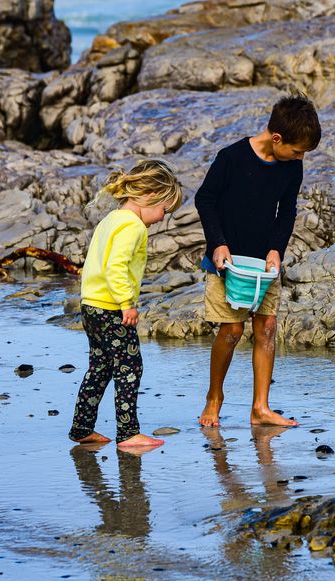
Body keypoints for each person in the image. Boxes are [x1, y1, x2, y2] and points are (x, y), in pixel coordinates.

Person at [195, 93, 321, 427]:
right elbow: (204, 199)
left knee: (266, 326)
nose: (299, 158)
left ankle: (260, 408)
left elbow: (288, 210)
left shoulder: (292, 167)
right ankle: (214, 397)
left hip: (264, 264)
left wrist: (276, 249)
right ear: (276, 138)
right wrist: (217, 245)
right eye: (296, 150)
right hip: (226, 261)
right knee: (232, 329)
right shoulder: (231, 158)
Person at [69, 159, 182, 448]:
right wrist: (126, 304)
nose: (162, 217)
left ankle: (82, 428)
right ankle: (128, 433)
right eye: (163, 210)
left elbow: (98, 263)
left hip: (91, 305)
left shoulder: (111, 219)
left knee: (100, 367)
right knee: (130, 367)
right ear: (148, 197)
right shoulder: (133, 226)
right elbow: (115, 267)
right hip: (110, 307)